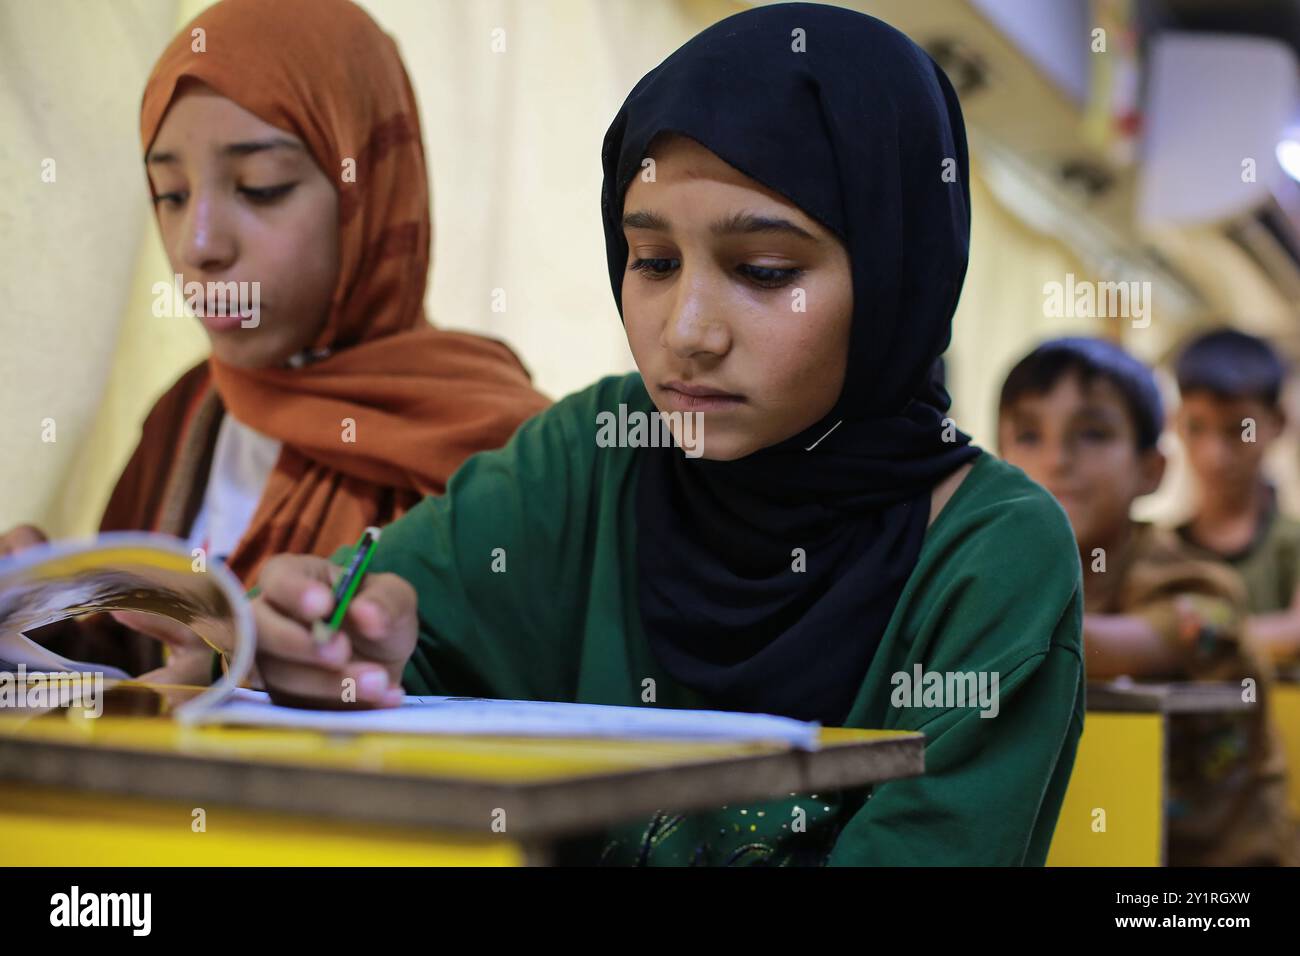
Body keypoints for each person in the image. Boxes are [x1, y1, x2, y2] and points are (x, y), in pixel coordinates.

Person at [240, 2, 1085, 865]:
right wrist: (329, 650)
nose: (687, 331)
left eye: (764, 271)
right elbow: (369, 652)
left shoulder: (992, 557)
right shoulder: (590, 453)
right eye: (652, 261)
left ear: (899, 272)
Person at [0, 0, 550, 683]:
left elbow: (507, 699)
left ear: (371, 193)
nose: (198, 245)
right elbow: (131, 659)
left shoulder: (495, 450)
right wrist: (36, 625)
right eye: (171, 194)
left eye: (261, 188)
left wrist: (251, 669)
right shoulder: (190, 415)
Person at [999, 336, 1291, 865]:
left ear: (1151, 470)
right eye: (1028, 434)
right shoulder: (1011, 570)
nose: (1057, 459)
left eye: (1091, 433)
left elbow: (1119, 645)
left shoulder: (1198, 582)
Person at [1173, 328, 1300, 664]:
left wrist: (1184, 635)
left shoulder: (1291, 546)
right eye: (1196, 427)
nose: (1214, 454)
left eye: (1238, 430)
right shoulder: (1158, 548)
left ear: (1278, 423)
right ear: (1175, 423)